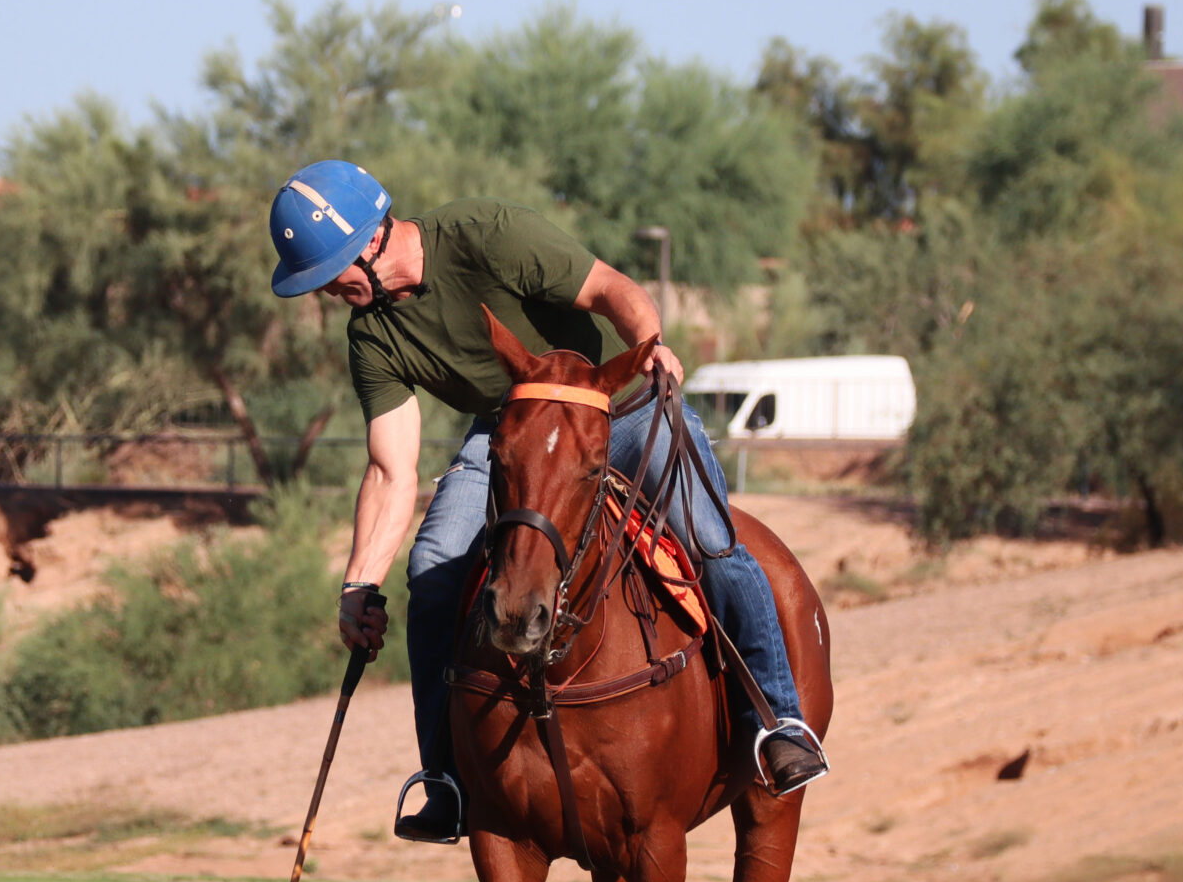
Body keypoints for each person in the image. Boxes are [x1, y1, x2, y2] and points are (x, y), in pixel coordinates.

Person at [267, 160, 828, 844]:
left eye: (330, 275)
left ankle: (780, 719)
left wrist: (649, 349)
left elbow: (610, 288)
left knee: (709, 537)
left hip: (615, 409)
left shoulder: (484, 233)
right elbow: (391, 470)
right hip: (513, 431)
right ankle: (446, 779)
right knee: (435, 564)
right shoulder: (372, 337)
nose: (327, 293)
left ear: (370, 241)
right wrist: (359, 584)